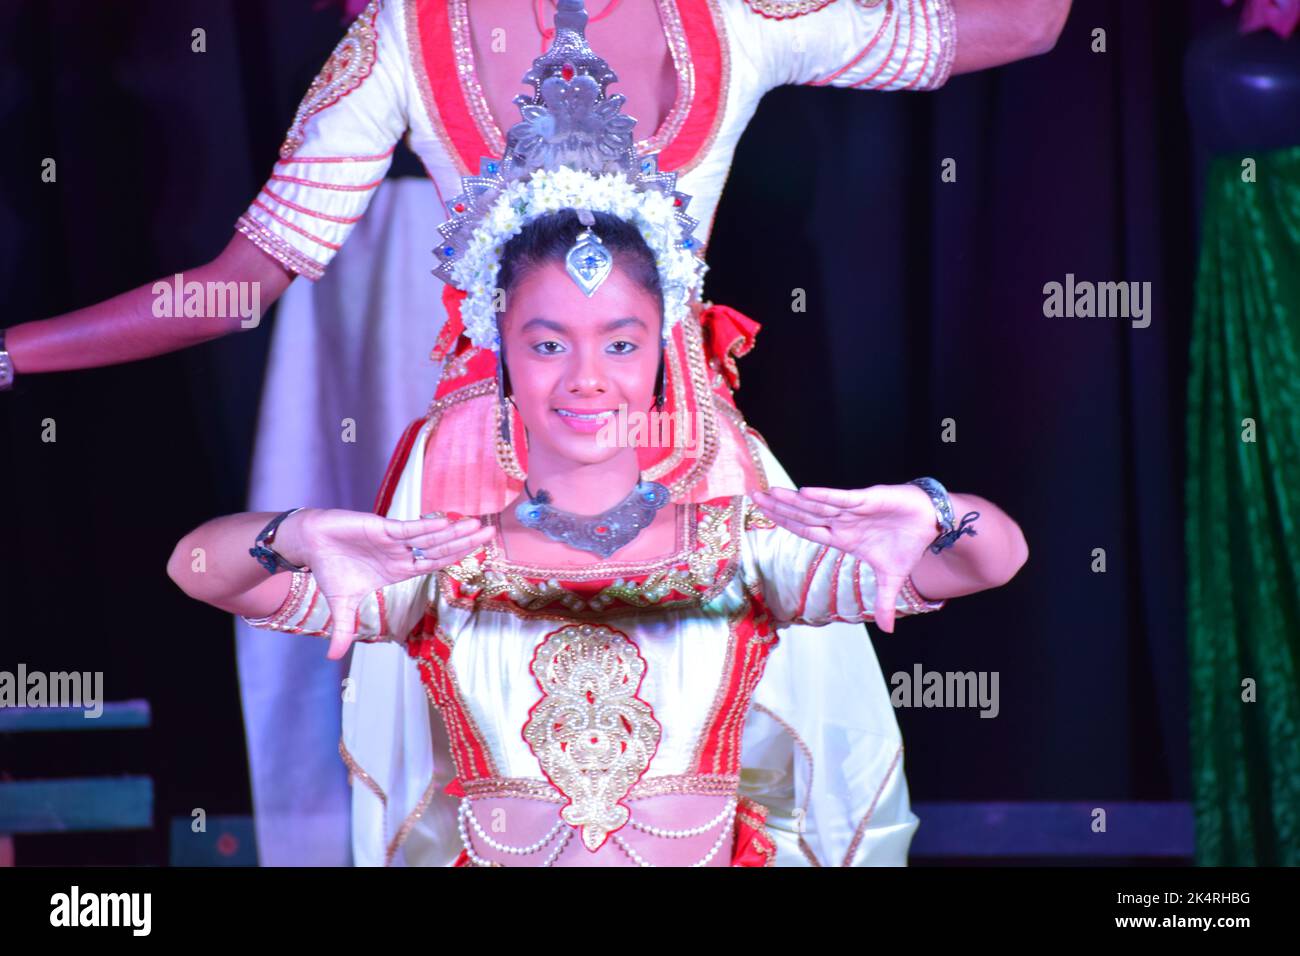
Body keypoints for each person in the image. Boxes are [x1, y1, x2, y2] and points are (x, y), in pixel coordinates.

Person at [5, 0, 1068, 864]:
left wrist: (936, 510)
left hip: (704, 478)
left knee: (751, 793)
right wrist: (12, 352)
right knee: (502, 807)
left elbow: (1025, 23)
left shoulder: (738, 18)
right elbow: (238, 290)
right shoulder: (405, 37)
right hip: (476, 496)